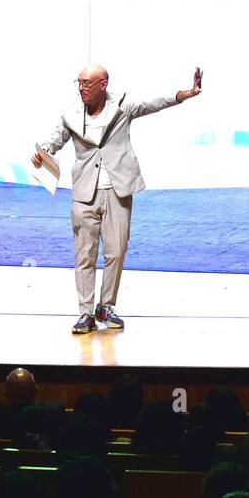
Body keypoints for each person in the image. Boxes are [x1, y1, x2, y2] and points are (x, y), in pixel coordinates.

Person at [32, 63, 203, 333]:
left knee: (116, 252)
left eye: (87, 83)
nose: (81, 88)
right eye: (79, 82)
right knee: (84, 255)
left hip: (117, 190)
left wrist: (186, 93)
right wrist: (42, 152)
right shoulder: (71, 113)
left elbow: (155, 103)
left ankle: (106, 306)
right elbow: (54, 140)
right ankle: (85, 312)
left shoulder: (122, 107)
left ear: (103, 85)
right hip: (85, 193)